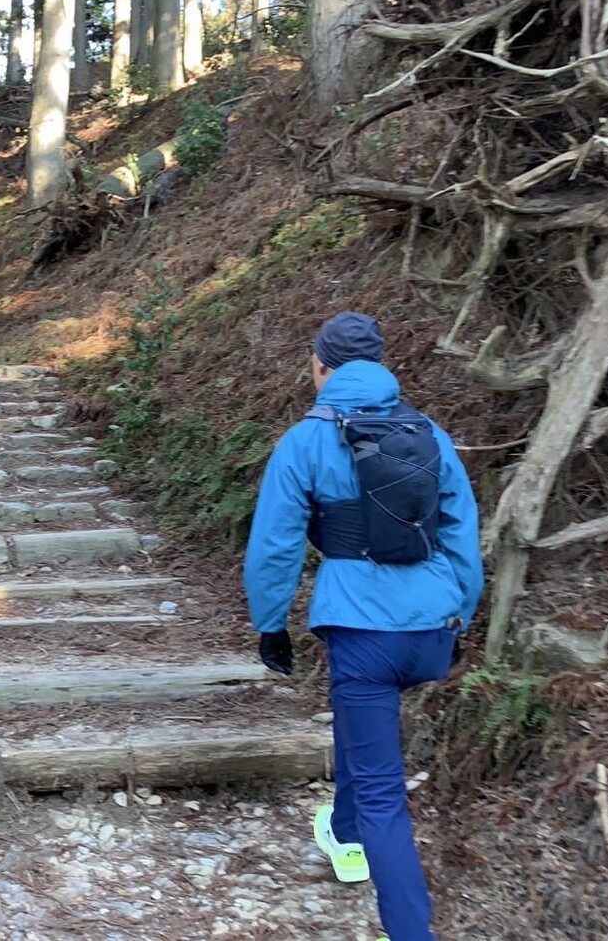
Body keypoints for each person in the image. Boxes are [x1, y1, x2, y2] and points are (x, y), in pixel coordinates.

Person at [242, 311, 484, 941]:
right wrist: (463, 611)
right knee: (362, 728)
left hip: (362, 632)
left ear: (321, 367)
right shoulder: (429, 432)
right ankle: (343, 833)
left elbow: (275, 546)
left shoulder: (305, 441)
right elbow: (461, 531)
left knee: (384, 795)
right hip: (433, 626)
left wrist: (271, 625)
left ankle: (409, 931)